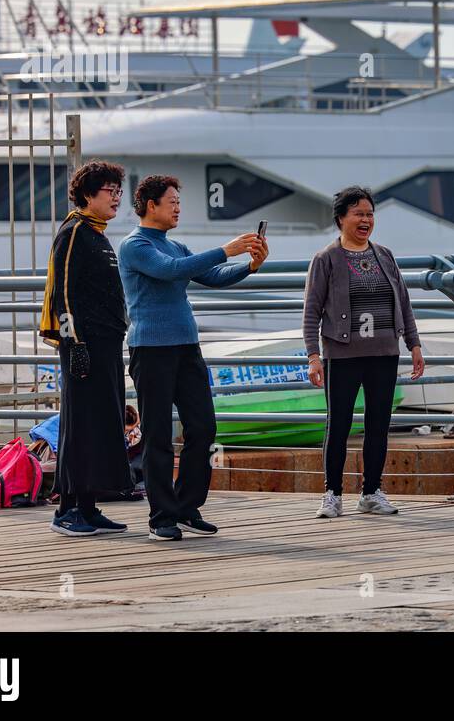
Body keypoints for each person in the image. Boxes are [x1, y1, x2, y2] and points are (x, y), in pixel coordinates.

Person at [118, 175, 267, 541]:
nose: (178, 208)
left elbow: (212, 276)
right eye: (172, 202)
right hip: (151, 350)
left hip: (187, 348)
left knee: (203, 428)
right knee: (158, 436)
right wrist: (226, 249)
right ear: (151, 205)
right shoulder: (134, 245)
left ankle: (187, 507)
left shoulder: (177, 245)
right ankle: (161, 517)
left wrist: (250, 266)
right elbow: (171, 271)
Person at [304, 186, 424, 519]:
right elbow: (311, 311)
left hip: (385, 351)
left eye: (370, 214)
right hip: (342, 354)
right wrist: (314, 356)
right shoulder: (325, 259)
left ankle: (371, 492)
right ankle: (332, 494)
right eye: (358, 213)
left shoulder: (384, 255)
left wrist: (413, 344)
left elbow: (403, 301)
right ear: (341, 218)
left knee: (378, 425)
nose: (365, 220)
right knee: (338, 425)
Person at [39, 161, 134, 537]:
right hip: (84, 346)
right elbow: (62, 291)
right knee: (80, 425)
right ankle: (67, 509)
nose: (116, 198)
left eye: (118, 191)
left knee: (101, 423)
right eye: (109, 191)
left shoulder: (98, 234)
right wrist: (73, 342)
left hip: (107, 344)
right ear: (87, 194)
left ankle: (90, 506)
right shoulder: (74, 231)